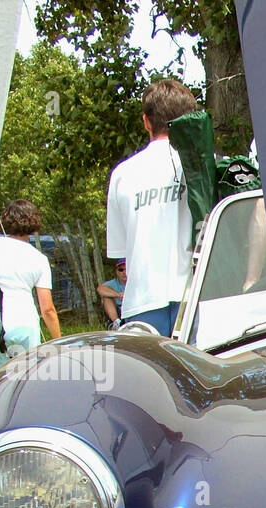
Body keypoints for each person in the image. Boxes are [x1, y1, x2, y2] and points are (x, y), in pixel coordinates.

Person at [106, 78, 197, 337]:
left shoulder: (123, 174)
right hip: (194, 297)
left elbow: (120, 248)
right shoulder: (204, 165)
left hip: (142, 300)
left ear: (146, 121)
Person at [0, 199, 60, 373]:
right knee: (24, 382)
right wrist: (58, 341)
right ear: (34, 222)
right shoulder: (39, 259)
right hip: (24, 324)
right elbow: (47, 309)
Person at [97, 259, 128, 326]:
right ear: (116, 271)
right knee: (107, 298)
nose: (124, 272)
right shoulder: (112, 283)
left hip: (134, 309)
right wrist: (118, 295)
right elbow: (100, 289)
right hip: (119, 312)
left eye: (127, 269)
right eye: (121, 270)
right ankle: (117, 323)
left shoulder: (137, 282)